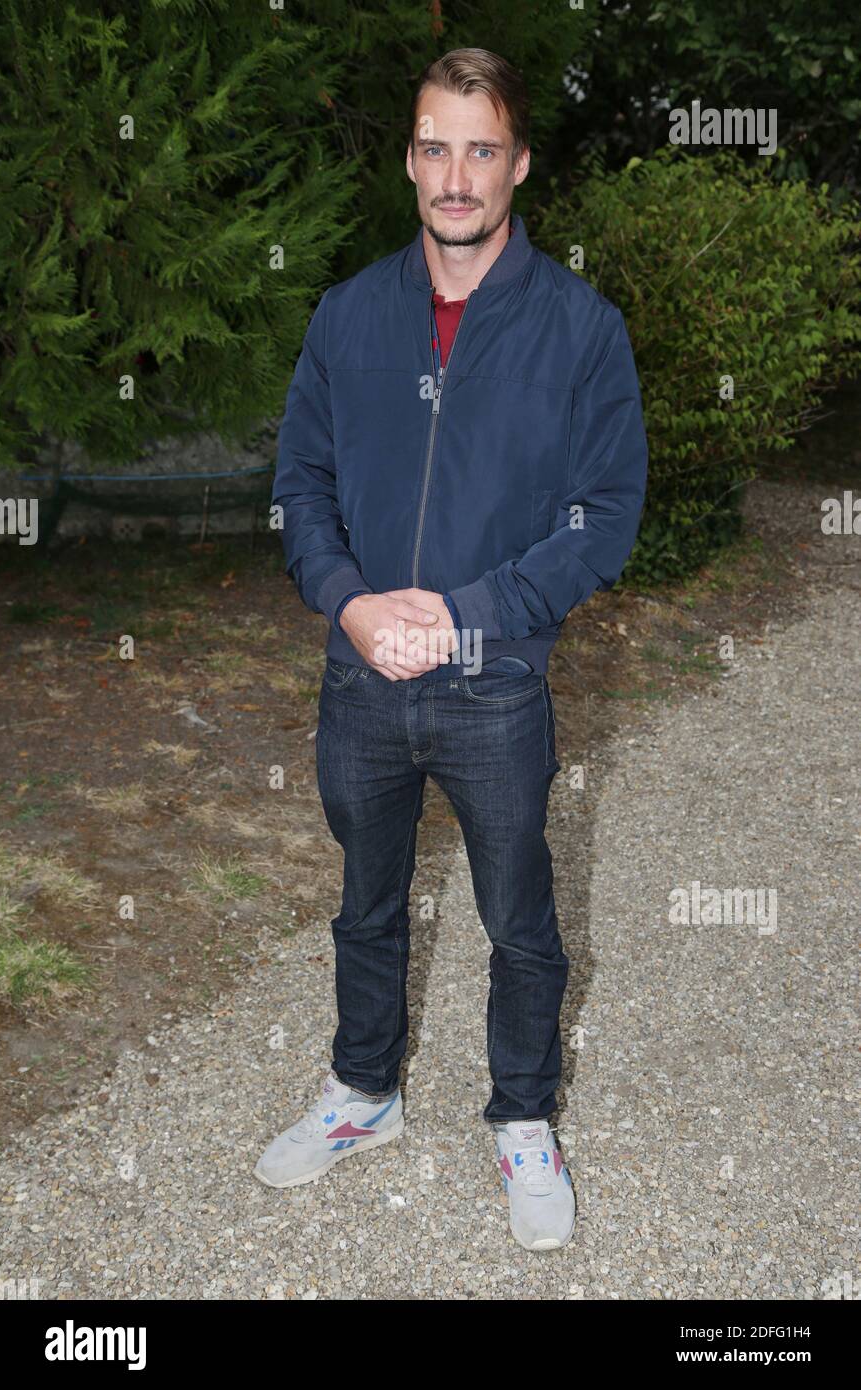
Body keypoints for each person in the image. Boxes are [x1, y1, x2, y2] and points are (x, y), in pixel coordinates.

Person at [255, 47, 648, 1252]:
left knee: (518, 919)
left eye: (482, 148)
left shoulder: (579, 329)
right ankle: (362, 1093)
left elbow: (605, 515)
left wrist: (466, 613)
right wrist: (351, 603)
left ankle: (522, 1114)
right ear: (409, 159)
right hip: (362, 675)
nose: (456, 173)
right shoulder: (349, 313)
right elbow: (301, 483)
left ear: (518, 162)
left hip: (495, 683)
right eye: (435, 144)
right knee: (364, 907)